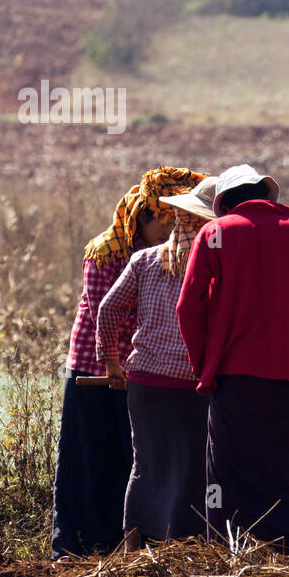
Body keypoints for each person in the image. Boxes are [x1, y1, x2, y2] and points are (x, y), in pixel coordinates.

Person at [176, 164, 289, 554]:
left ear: (225, 204)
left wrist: (203, 367)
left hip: (233, 379)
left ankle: (229, 554)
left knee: (228, 474)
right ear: (265, 195)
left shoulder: (215, 233)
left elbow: (188, 307)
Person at [52, 166, 205, 560]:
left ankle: (129, 546)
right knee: (92, 456)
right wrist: (117, 363)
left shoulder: (165, 254)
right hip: (98, 366)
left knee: (133, 457)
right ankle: (79, 546)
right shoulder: (108, 252)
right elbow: (115, 316)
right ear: (146, 217)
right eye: (166, 223)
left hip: (139, 369)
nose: (171, 232)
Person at [97, 176, 217, 551]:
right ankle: (181, 545)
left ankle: (134, 545)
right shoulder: (214, 269)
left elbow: (107, 310)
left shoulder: (144, 260)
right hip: (192, 384)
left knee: (146, 464)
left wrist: (112, 362)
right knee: (191, 467)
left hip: (146, 383)